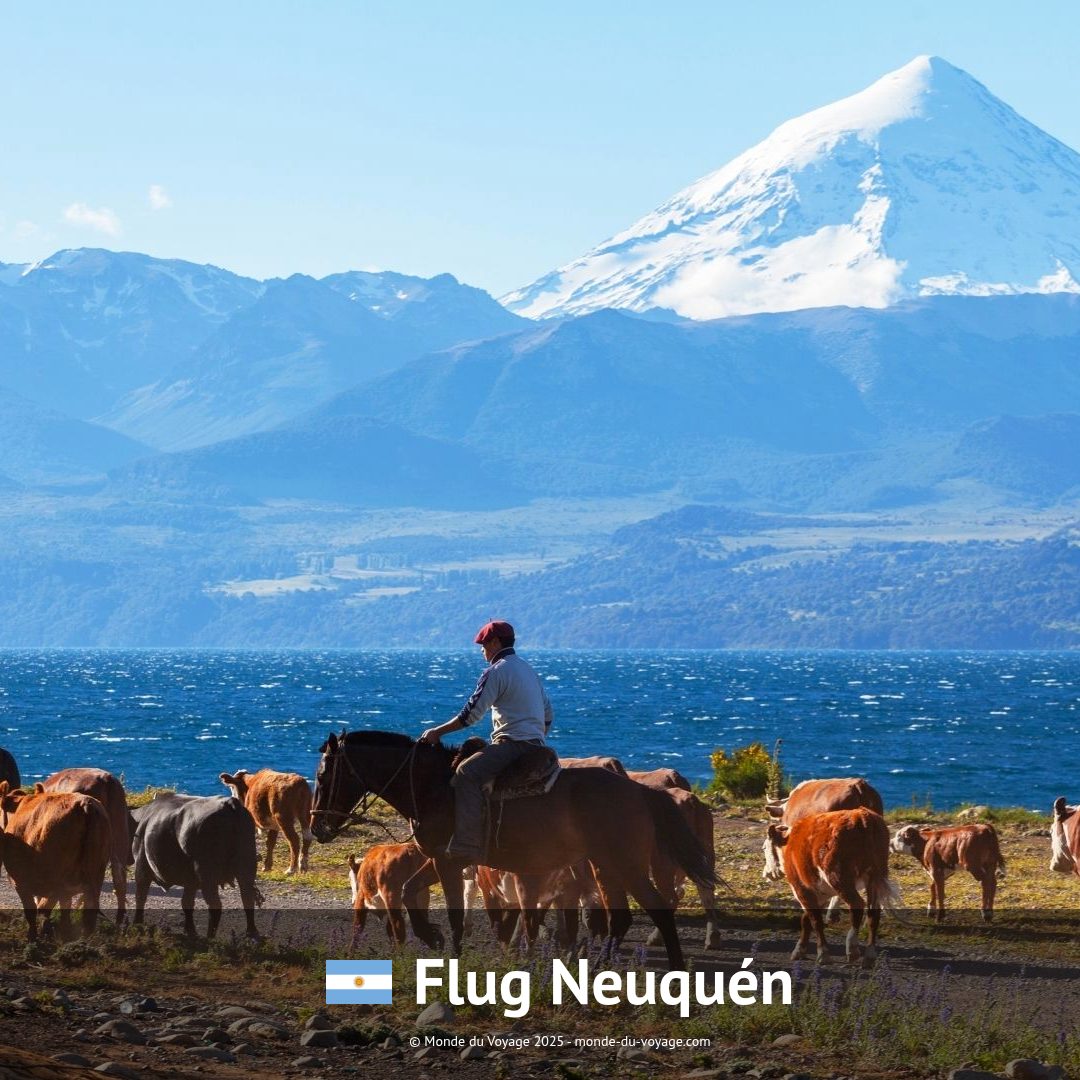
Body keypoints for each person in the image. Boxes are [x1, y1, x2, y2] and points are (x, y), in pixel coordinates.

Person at [419, 620, 553, 861]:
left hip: (512, 745)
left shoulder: (496, 671)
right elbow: (548, 716)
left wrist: (437, 732)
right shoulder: (528, 670)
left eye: (483, 644)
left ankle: (466, 845)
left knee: (465, 774)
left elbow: (471, 715)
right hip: (537, 744)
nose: (482, 650)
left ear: (495, 642)